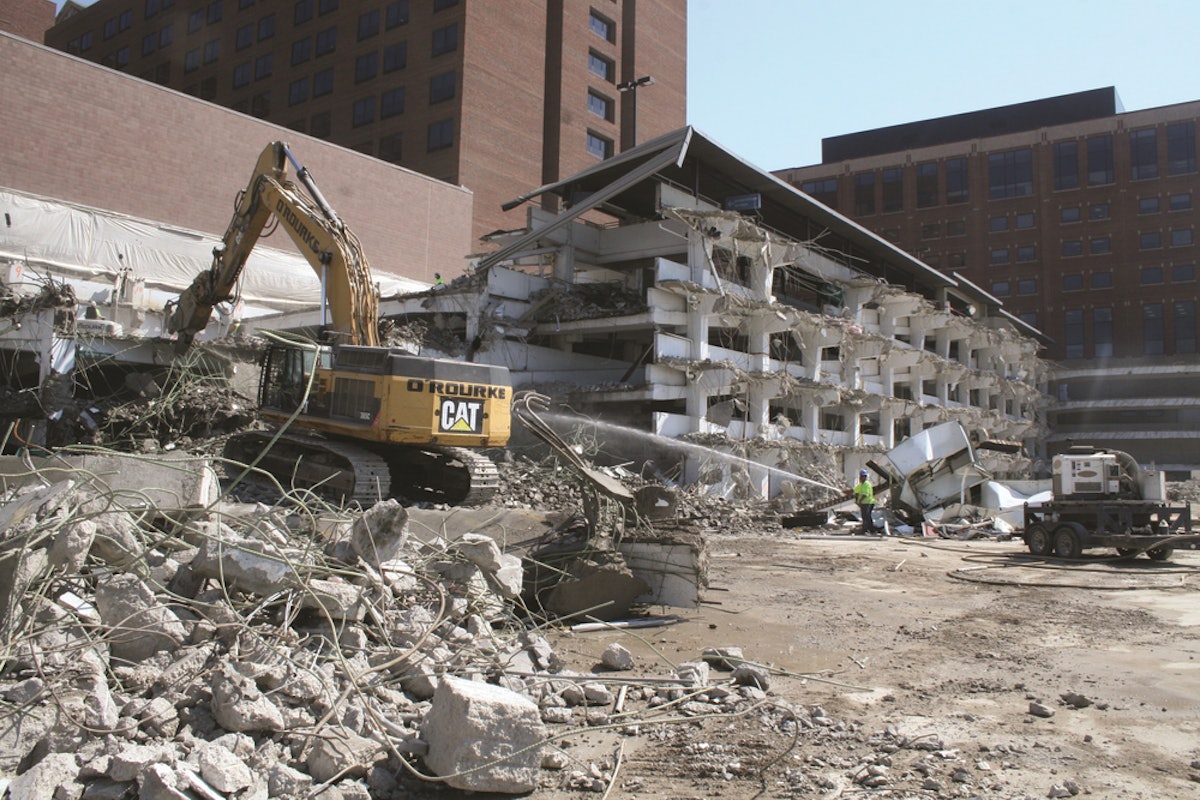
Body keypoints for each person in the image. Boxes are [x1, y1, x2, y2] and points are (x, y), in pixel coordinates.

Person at [853, 469, 877, 534]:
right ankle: (865, 529)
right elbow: (855, 490)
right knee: (865, 516)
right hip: (865, 503)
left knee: (867, 516)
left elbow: (865, 495)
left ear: (864, 477)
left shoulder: (866, 484)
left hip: (868, 503)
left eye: (861, 476)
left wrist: (859, 501)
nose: (860, 478)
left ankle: (870, 530)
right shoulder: (861, 484)